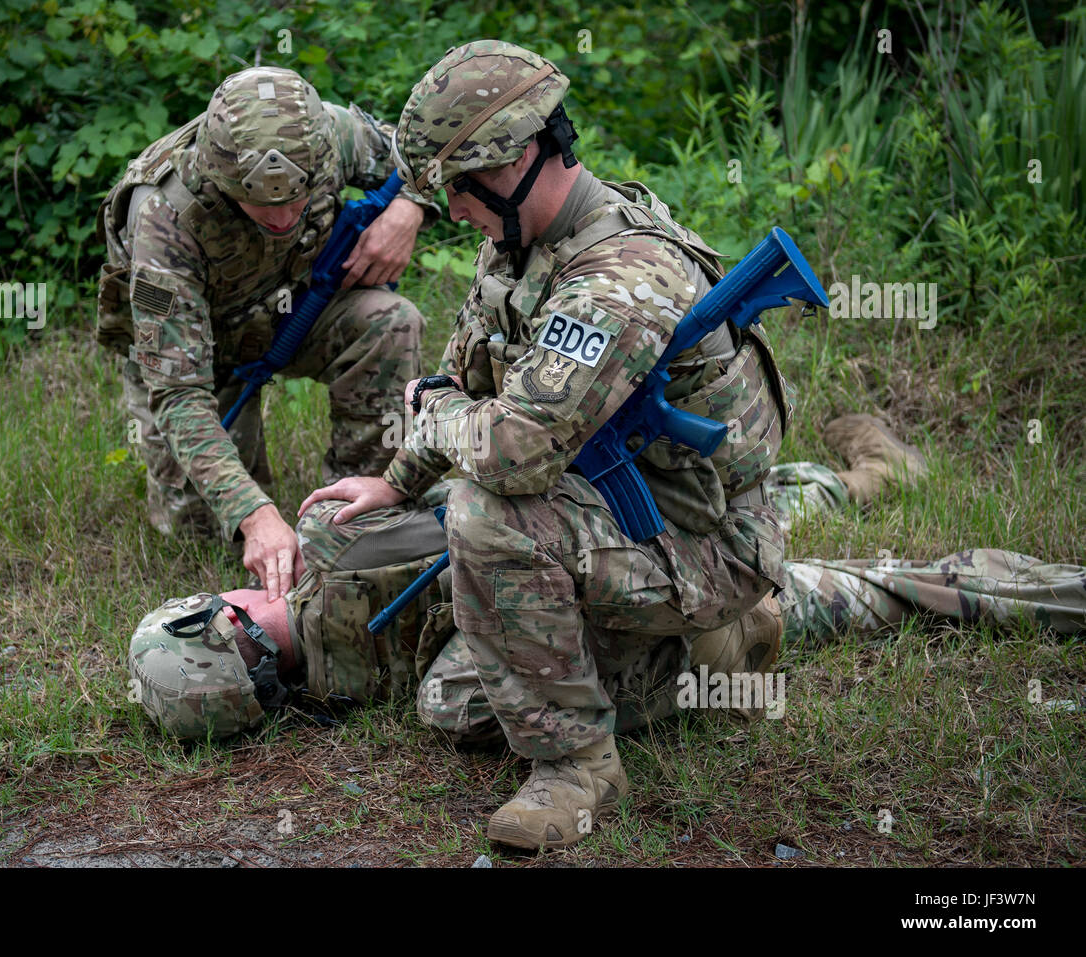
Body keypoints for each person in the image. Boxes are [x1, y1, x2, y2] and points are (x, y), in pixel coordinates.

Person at [295, 39, 789, 849]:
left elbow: (513, 448)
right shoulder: (519, 242)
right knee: (455, 700)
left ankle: (581, 767)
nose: (452, 209)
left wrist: (441, 414)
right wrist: (393, 479)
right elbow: (464, 376)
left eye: (460, 187)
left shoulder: (616, 279)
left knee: (487, 511)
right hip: (621, 504)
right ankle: (692, 655)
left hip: (700, 539)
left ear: (520, 158)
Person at [127, 417, 1086, 779]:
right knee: (866, 583)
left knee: (799, 534)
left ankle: (871, 471)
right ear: (232, 617)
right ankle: (1048, 590)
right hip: (636, 565)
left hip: (609, 538)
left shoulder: (369, 656)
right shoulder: (339, 539)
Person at [95, 65, 440, 601]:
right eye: (261, 202)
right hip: (196, 346)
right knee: (203, 534)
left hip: (299, 306)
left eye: (296, 198)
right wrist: (254, 517)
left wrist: (408, 207)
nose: (282, 217)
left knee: (392, 321)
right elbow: (179, 392)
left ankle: (356, 507)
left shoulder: (329, 134)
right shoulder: (161, 216)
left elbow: (428, 151)